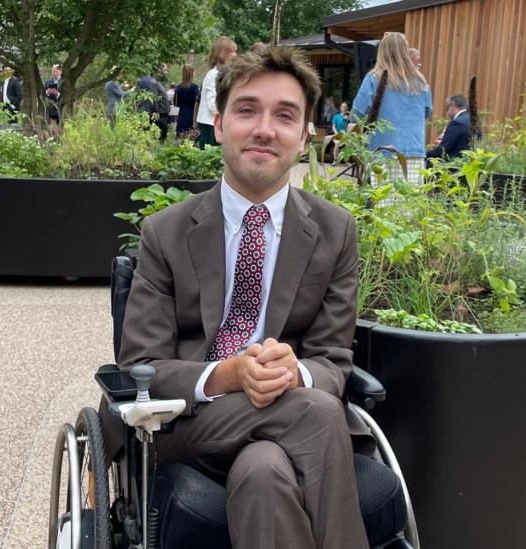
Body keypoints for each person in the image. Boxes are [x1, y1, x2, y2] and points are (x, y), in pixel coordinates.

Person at [110, 46, 370, 549]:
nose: (264, 129)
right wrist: (228, 375)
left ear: (304, 135)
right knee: (316, 413)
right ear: (220, 122)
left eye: (285, 116)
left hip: (282, 429)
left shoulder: (335, 233)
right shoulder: (165, 232)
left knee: (265, 473)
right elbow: (140, 363)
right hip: (181, 424)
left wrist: (295, 372)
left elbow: (334, 362)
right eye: (248, 110)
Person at [352, 32, 432, 185]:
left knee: (384, 204)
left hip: (383, 151)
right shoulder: (420, 81)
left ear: (382, 51)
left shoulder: (374, 78)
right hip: (415, 150)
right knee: (411, 204)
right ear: (405, 51)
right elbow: (427, 111)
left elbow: (357, 114)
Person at [194, 36, 237, 148]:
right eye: (234, 52)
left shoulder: (219, 73)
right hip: (210, 125)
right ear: (225, 53)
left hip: (213, 123)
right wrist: (226, 114)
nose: (236, 55)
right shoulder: (214, 74)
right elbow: (212, 103)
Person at [426, 95, 477, 160]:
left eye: (446, 108)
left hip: (454, 165)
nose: (447, 112)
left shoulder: (456, 123)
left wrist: (425, 155)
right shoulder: (475, 121)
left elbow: (443, 149)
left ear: (452, 105)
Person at [137, 71, 170, 141]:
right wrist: (156, 111)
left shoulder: (156, 82)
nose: (166, 70)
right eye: (164, 68)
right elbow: (154, 97)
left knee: (160, 132)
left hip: (162, 110)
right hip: (161, 111)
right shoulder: (154, 83)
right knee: (161, 132)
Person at [173, 64, 200, 137]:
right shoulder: (195, 88)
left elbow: (176, 103)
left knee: (180, 136)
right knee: (190, 138)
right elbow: (197, 103)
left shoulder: (178, 87)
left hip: (181, 115)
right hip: (192, 115)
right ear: (191, 73)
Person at [44, 64, 62, 128]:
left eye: (56, 71)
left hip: (60, 107)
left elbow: (65, 94)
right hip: (51, 108)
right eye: (53, 71)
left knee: (60, 126)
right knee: (51, 126)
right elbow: (44, 95)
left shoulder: (63, 82)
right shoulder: (48, 82)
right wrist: (48, 92)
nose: (55, 73)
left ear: (60, 71)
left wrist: (57, 93)